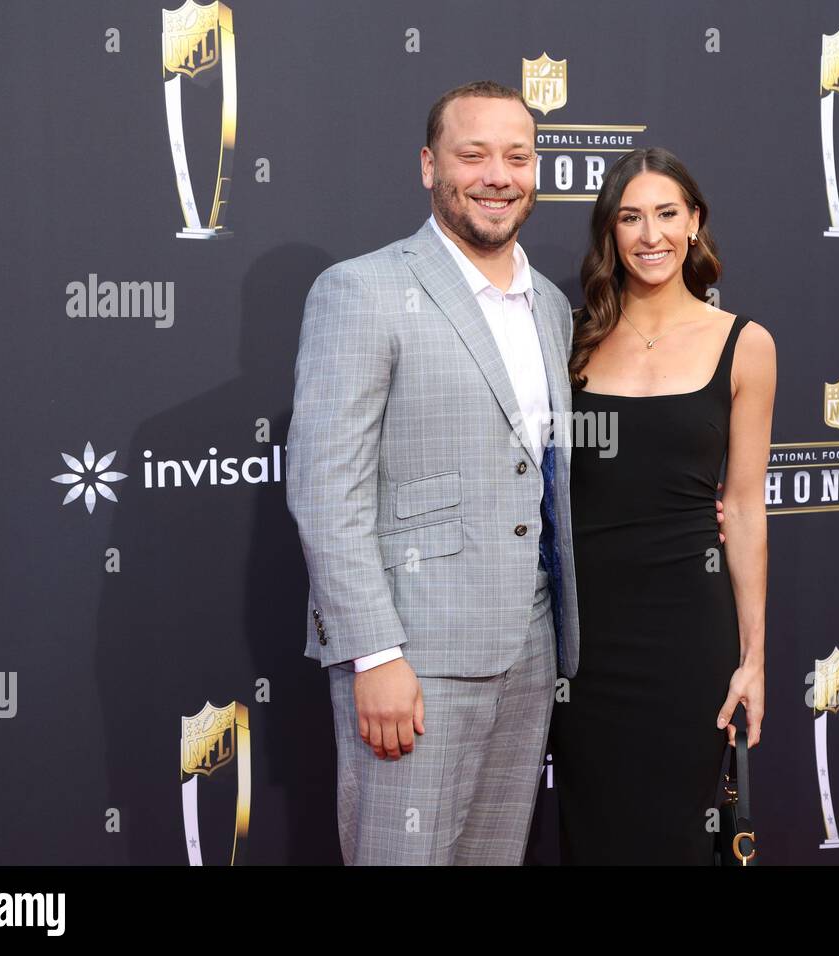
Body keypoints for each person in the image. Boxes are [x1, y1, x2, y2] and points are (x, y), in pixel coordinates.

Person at [285, 80, 580, 865]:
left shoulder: (551, 308)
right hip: (412, 658)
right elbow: (326, 490)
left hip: (530, 651)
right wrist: (374, 654)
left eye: (517, 157)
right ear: (429, 166)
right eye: (473, 155)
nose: (497, 176)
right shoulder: (364, 290)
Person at [551, 147, 775, 865]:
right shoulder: (565, 338)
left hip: (688, 635)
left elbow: (744, 508)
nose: (651, 235)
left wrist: (753, 658)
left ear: (694, 221)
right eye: (630, 217)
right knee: (594, 835)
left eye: (667, 214)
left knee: (679, 834)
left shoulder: (745, 344)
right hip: (583, 644)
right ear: (609, 232)